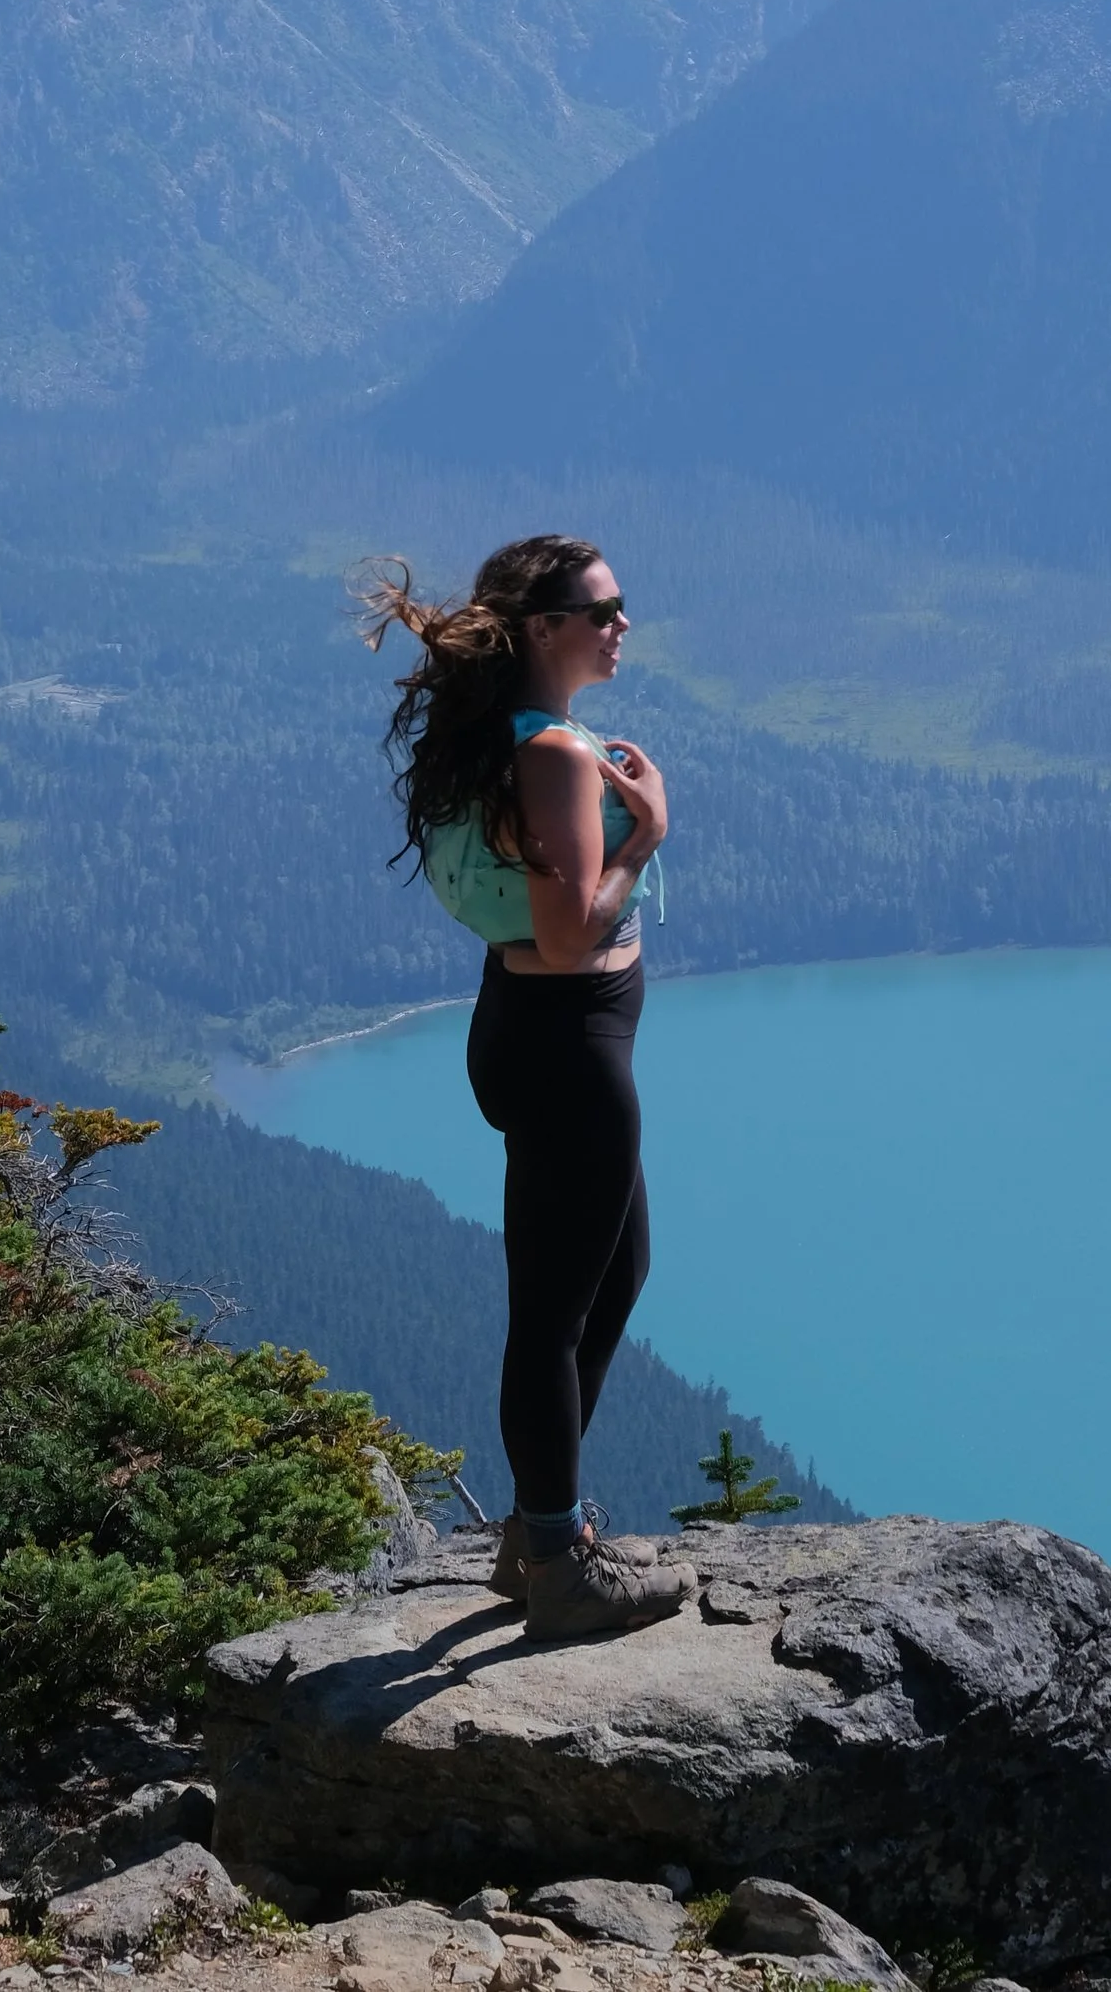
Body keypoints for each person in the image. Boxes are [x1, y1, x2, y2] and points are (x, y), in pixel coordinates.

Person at [361, 534, 683, 1643]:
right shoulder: (549, 752)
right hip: (567, 1042)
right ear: (544, 629)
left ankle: (538, 1529)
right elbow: (568, 925)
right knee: (552, 1311)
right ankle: (553, 1562)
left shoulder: (504, 738)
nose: (622, 624)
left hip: (530, 1029)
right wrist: (647, 834)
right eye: (603, 610)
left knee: (615, 1270)